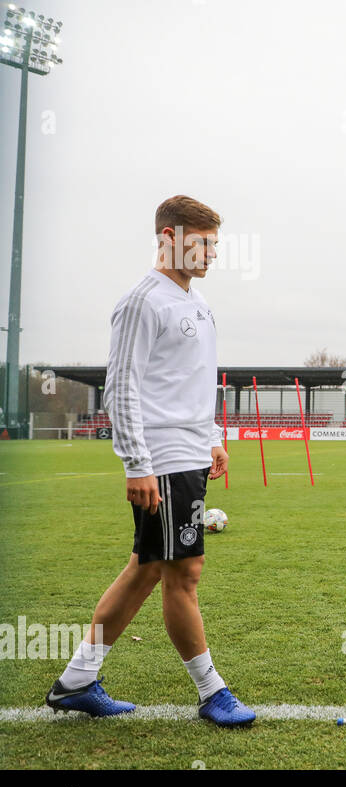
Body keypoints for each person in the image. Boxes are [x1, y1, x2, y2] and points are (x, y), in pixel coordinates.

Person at [46, 195, 255, 726]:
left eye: (214, 244)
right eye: (200, 242)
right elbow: (123, 386)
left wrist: (210, 437)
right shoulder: (144, 301)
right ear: (168, 237)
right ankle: (213, 692)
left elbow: (193, 382)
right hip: (160, 459)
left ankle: (76, 681)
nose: (210, 254)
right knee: (182, 572)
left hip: (187, 454)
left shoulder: (197, 304)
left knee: (146, 569)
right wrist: (136, 463)